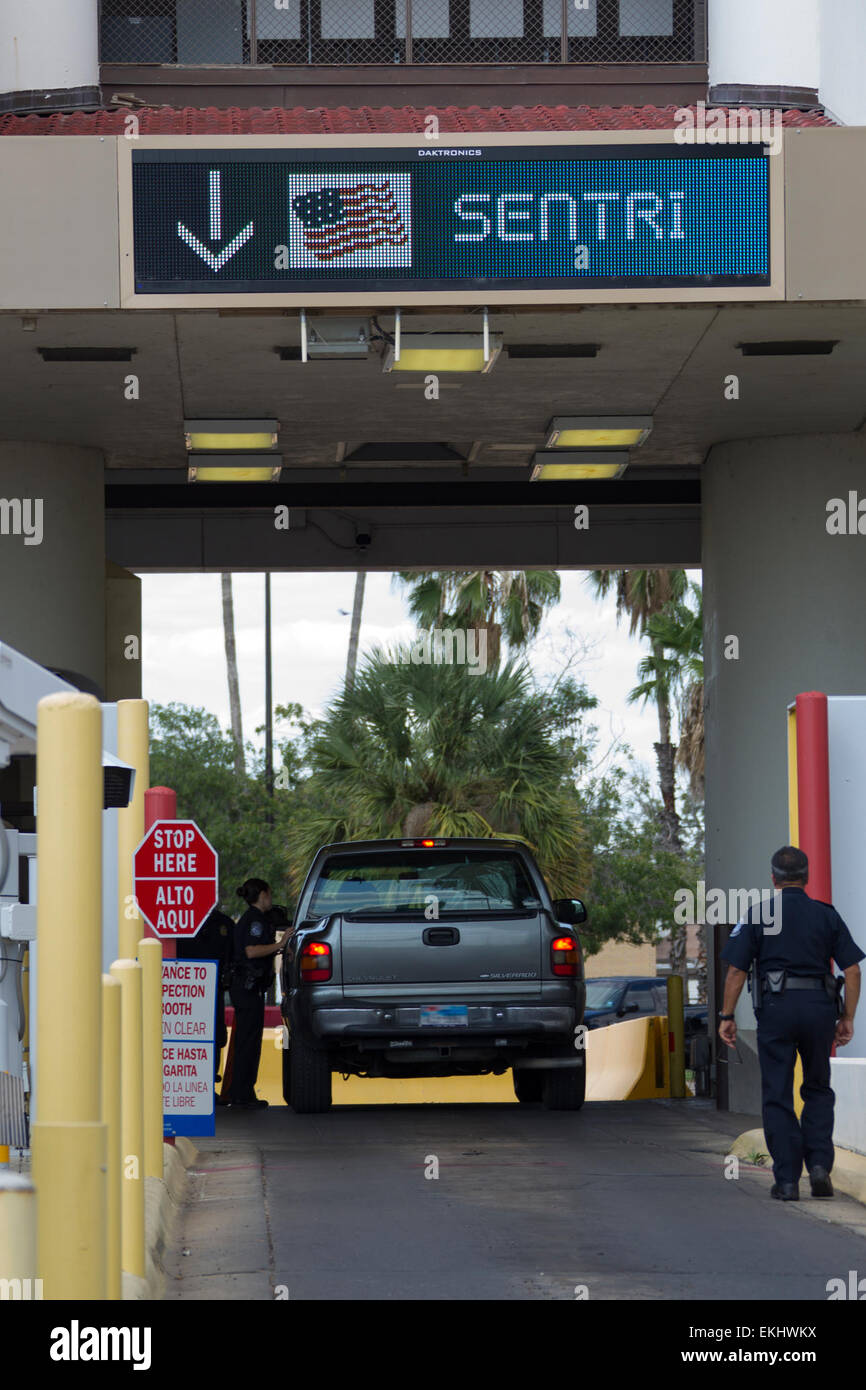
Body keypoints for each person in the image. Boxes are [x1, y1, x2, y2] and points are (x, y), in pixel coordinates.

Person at [718, 846, 863, 1200]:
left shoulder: (758, 915)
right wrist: (847, 1017)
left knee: (778, 1093)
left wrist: (726, 1015)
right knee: (817, 1088)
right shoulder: (826, 915)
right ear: (807, 877)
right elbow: (853, 969)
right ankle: (818, 1166)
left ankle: (786, 1180)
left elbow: (737, 970)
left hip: (776, 1010)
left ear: (773, 879)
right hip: (819, 1011)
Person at [228, 878, 284, 1110]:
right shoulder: (254, 921)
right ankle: (241, 1093)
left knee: (249, 1041)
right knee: (247, 1042)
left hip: (249, 988)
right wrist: (281, 944)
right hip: (247, 987)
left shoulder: (255, 919)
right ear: (262, 895)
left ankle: (245, 1091)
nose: (271, 899)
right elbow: (251, 951)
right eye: (269, 894)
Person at [176, 907, 234, 1103]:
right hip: (183, 992)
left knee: (215, 1036)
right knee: (188, 1038)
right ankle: (190, 1089)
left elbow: (234, 955)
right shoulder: (179, 918)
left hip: (213, 989)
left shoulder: (223, 923)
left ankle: (207, 1087)